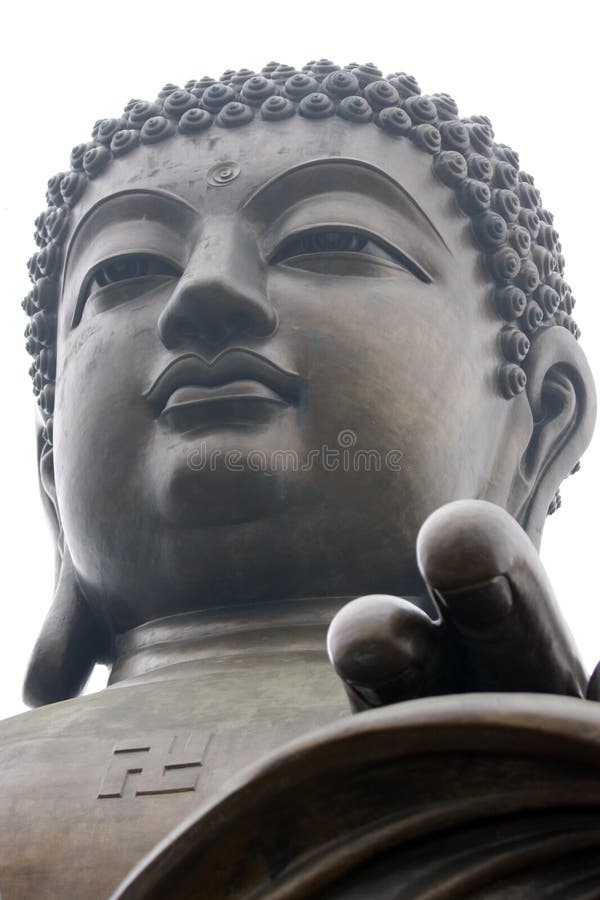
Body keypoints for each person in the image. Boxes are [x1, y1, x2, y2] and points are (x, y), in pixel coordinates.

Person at [2, 60, 596, 898]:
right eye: (123, 271)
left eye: (333, 241)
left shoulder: (542, 775)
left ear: (543, 417)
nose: (207, 291)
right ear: (51, 471)